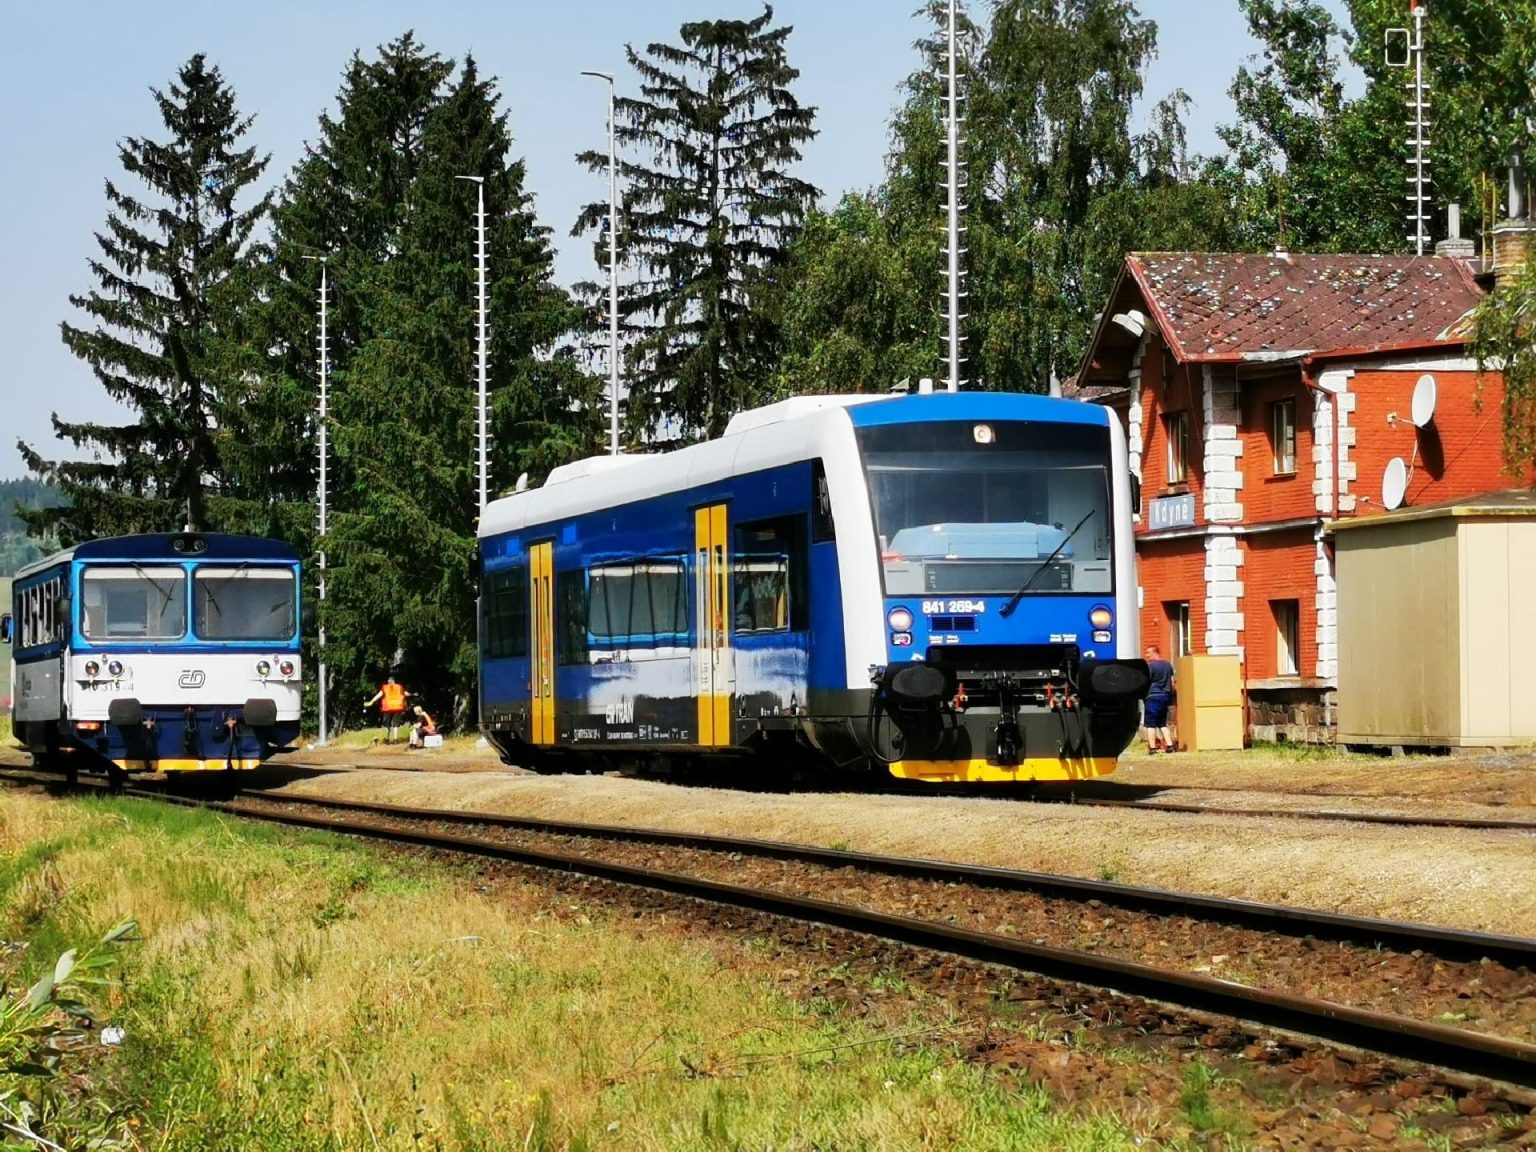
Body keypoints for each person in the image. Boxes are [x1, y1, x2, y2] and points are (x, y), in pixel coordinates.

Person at [1143, 645, 1176, 753]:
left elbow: (1145, 681)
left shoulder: (1150, 666)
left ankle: (1152, 748)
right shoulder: (1168, 665)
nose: (1146, 655)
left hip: (1152, 696)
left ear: (1155, 652)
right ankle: (1170, 745)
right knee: (1162, 723)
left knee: (1150, 724)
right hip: (1165, 696)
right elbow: (1172, 681)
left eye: (1148, 653)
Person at [363, 675, 411, 743]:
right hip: (398, 707)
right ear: (394, 681)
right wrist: (413, 694)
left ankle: (387, 738)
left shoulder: (385, 687)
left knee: (386, 724)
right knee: (395, 724)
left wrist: (371, 702)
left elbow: (378, 695)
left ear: (389, 681)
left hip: (388, 707)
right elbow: (406, 694)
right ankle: (395, 739)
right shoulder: (399, 687)